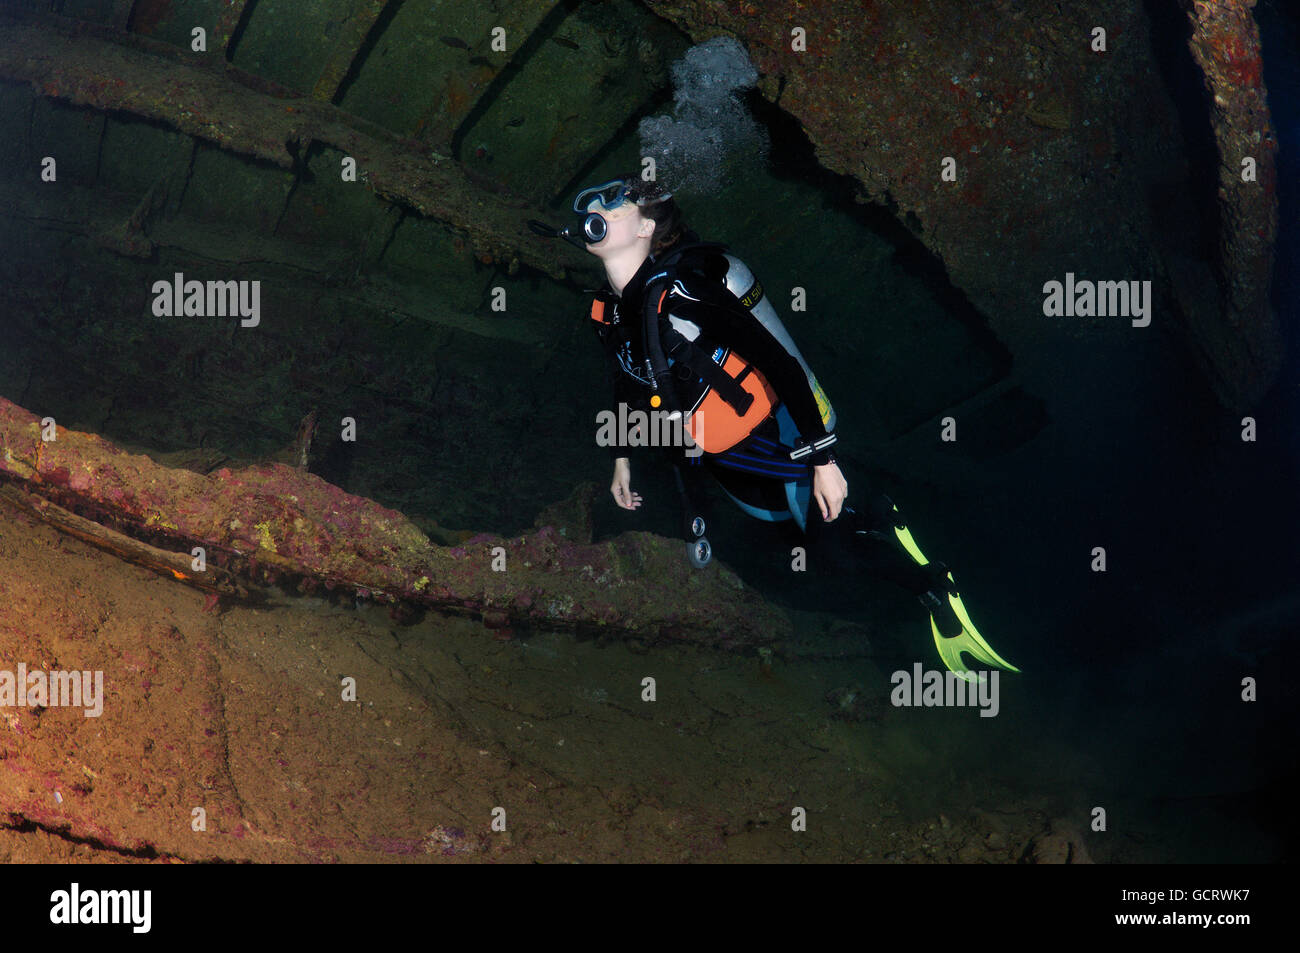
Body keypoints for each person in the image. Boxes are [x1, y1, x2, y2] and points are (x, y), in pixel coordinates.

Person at [546, 174, 1016, 678]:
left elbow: (781, 365)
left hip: (779, 435)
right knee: (777, 524)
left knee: (829, 555)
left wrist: (822, 459)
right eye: (597, 207)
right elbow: (624, 377)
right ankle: (874, 510)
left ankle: (930, 583)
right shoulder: (607, 310)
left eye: (615, 207)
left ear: (645, 228)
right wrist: (621, 459)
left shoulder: (689, 295)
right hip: (723, 452)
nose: (598, 211)